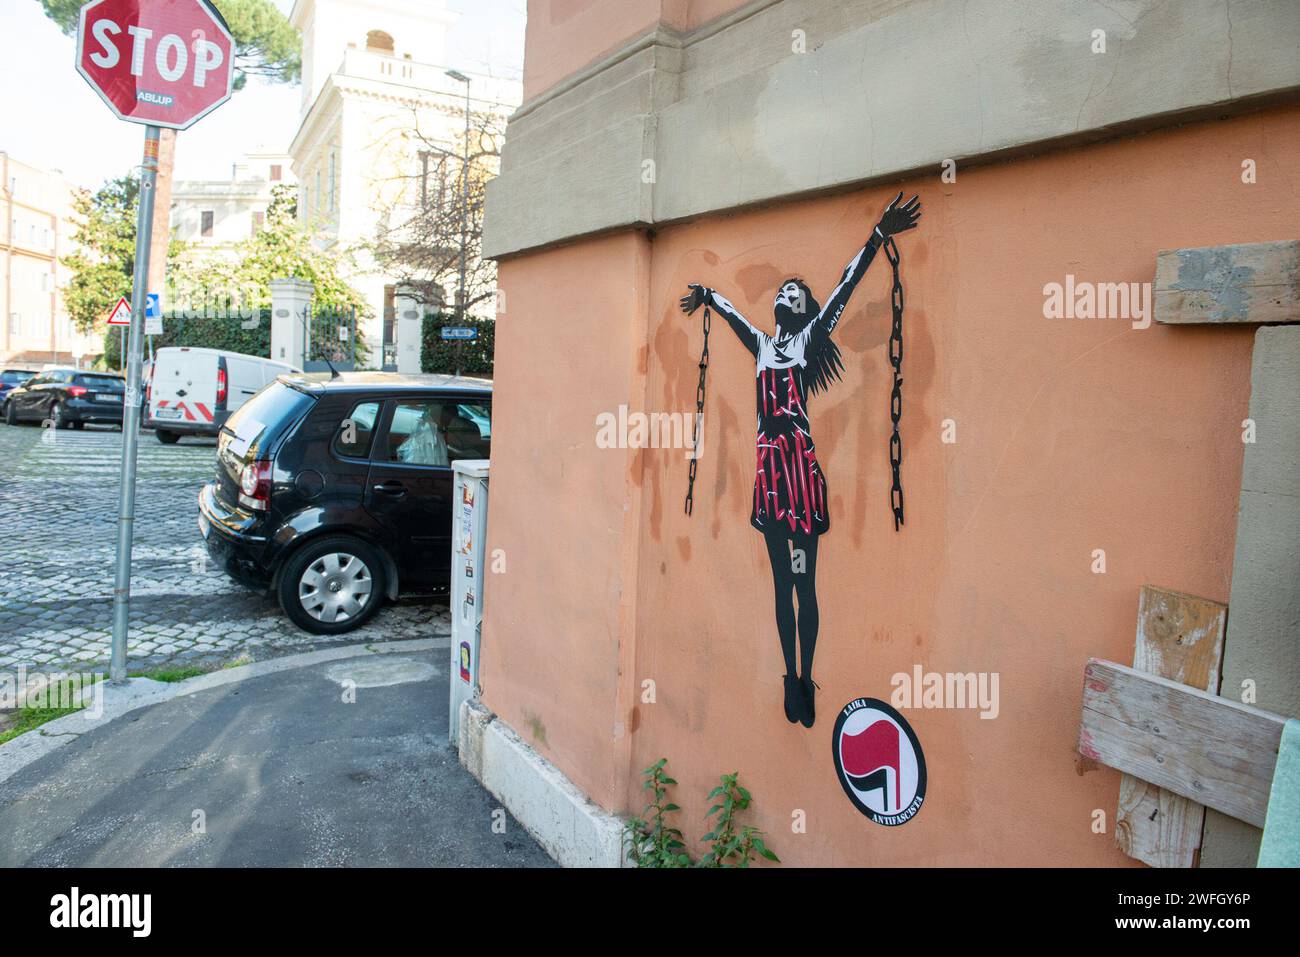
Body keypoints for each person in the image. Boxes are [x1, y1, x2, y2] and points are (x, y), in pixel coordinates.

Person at [679, 192, 921, 728]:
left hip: (797, 466)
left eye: (796, 291)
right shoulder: (765, 347)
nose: (788, 293)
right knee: (781, 583)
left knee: (803, 579)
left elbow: (846, 285)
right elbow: (731, 314)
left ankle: (806, 676)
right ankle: (790, 675)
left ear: (805, 309)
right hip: (770, 469)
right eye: (784, 290)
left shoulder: (811, 337)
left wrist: (878, 235)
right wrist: (708, 295)